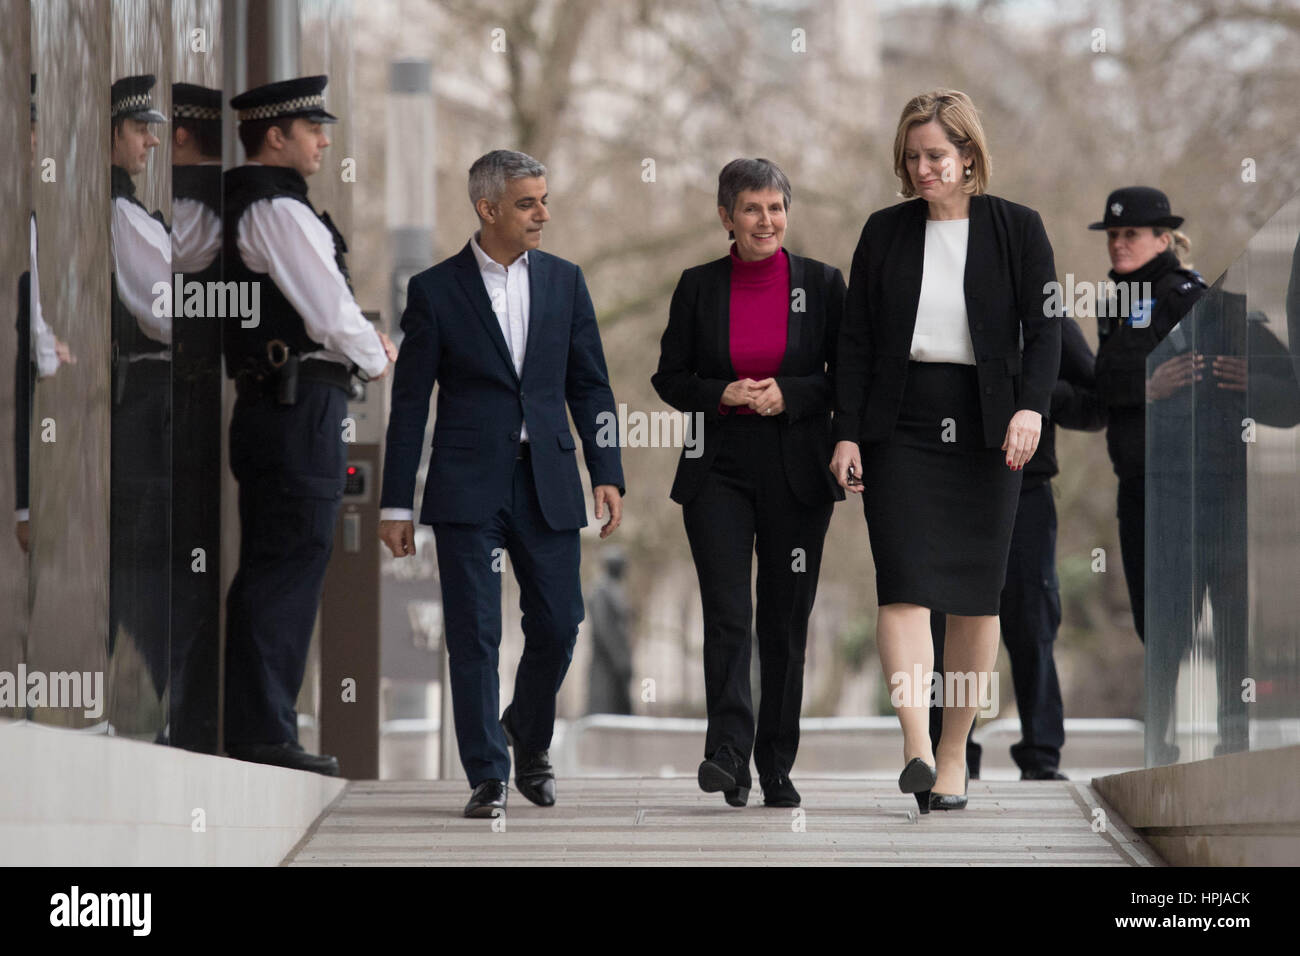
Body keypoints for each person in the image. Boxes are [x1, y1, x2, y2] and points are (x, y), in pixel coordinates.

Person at [831, 90, 1061, 812]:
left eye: (936, 155)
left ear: (968, 156)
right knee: (901, 584)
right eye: (912, 156)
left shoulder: (1018, 229)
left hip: (989, 427)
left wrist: (1030, 407)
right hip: (898, 425)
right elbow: (856, 340)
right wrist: (844, 430)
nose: (923, 168)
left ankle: (957, 751)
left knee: (974, 600)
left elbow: (1047, 332)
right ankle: (916, 744)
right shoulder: (884, 232)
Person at [379, 149, 625, 818]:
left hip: (547, 480)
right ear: (488, 210)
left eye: (544, 198)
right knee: (474, 632)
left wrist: (608, 472)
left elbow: (591, 387)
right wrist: (395, 501)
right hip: (466, 486)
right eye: (527, 202)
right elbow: (408, 404)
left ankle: (527, 730)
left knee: (560, 623)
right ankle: (488, 774)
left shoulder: (566, 282)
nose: (543, 212)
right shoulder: (434, 290)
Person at [652, 158, 845, 808]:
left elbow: (845, 377)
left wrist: (785, 395)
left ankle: (776, 763)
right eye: (752, 209)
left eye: (775, 207)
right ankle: (728, 754)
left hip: (797, 472)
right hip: (718, 471)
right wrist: (722, 392)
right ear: (726, 217)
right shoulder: (698, 285)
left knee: (785, 623)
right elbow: (669, 377)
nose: (766, 220)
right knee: (729, 615)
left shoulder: (821, 284)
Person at [222, 76, 395, 775]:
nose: (324, 140)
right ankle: (264, 734)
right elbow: (327, 315)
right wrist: (374, 355)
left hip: (284, 402)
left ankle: (264, 726)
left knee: (281, 560)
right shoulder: (279, 210)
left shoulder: (256, 203)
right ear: (275, 135)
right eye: (313, 128)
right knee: (290, 560)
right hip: (298, 405)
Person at [928, 315, 1103, 782]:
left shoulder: (1049, 322)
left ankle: (1042, 755)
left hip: (1027, 488)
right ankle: (953, 752)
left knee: (1032, 618)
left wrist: (1037, 396)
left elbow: (1096, 405)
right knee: (944, 621)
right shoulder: (943, 305)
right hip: (950, 486)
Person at [1087, 187, 1205, 765]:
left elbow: (1202, 383)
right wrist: (1145, 387)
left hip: (1183, 477)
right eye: (1113, 235)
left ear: (1163, 239)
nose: (1119, 243)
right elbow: (1102, 386)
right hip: (1135, 481)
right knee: (1146, 613)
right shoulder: (1114, 301)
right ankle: (1162, 732)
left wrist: (1148, 390)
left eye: (1131, 234)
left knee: (1176, 612)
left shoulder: (1185, 297)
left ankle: (1172, 732)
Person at [108, 75, 173, 717]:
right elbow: (166, 312)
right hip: (144, 404)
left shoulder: (130, 211)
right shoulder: (120, 214)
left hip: (150, 403)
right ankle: (168, 700)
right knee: (142, 564)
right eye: (138, 129)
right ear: (110, 137)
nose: (150, 140)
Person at [586, 546, 633, 716]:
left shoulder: (616, 588)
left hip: (619, 656)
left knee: (621, 707)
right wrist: (618, 656)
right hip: (607, 658)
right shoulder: (601, 590)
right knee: (604, 703)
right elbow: (603, 627)